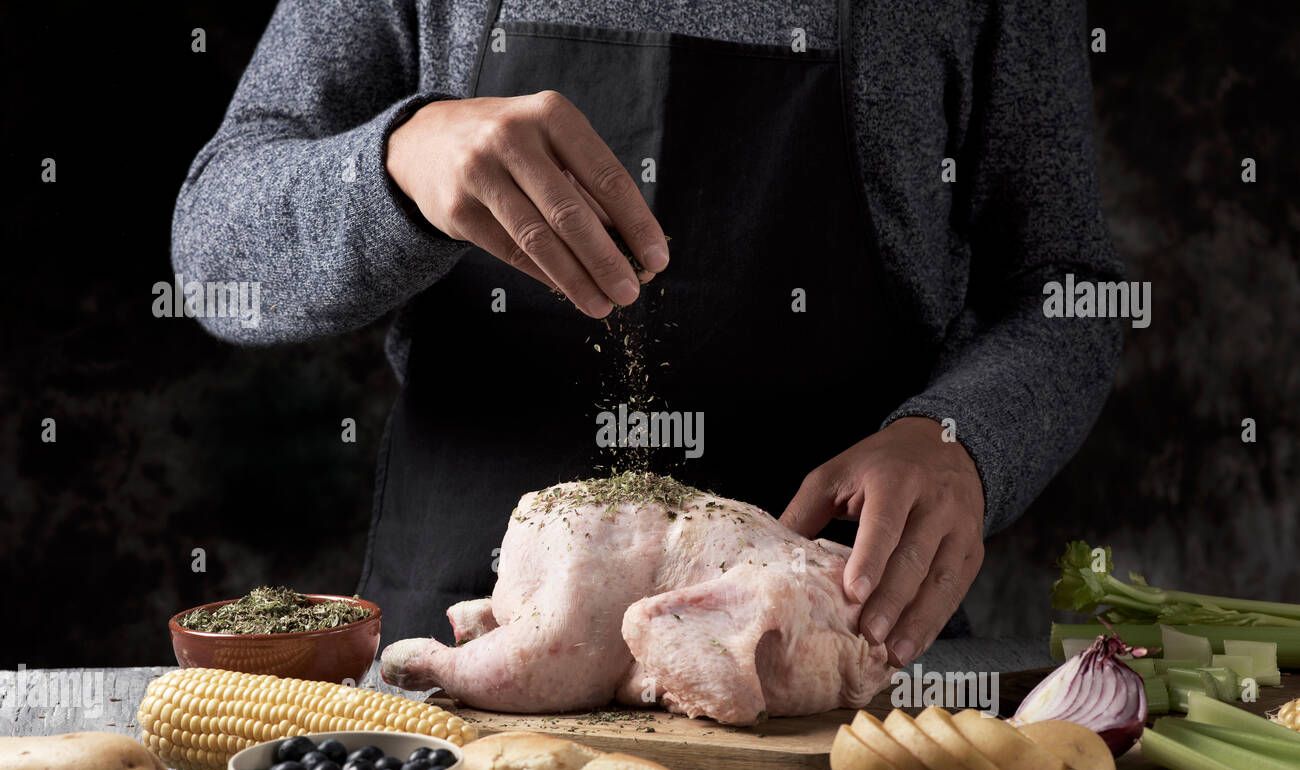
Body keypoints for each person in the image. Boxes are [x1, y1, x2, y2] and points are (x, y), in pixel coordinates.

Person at [173, 0, 1123, 669]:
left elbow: (1065, 285)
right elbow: (215, 255)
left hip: (827, 668)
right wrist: (395, 160)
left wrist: (961, 438)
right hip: (473, 666)